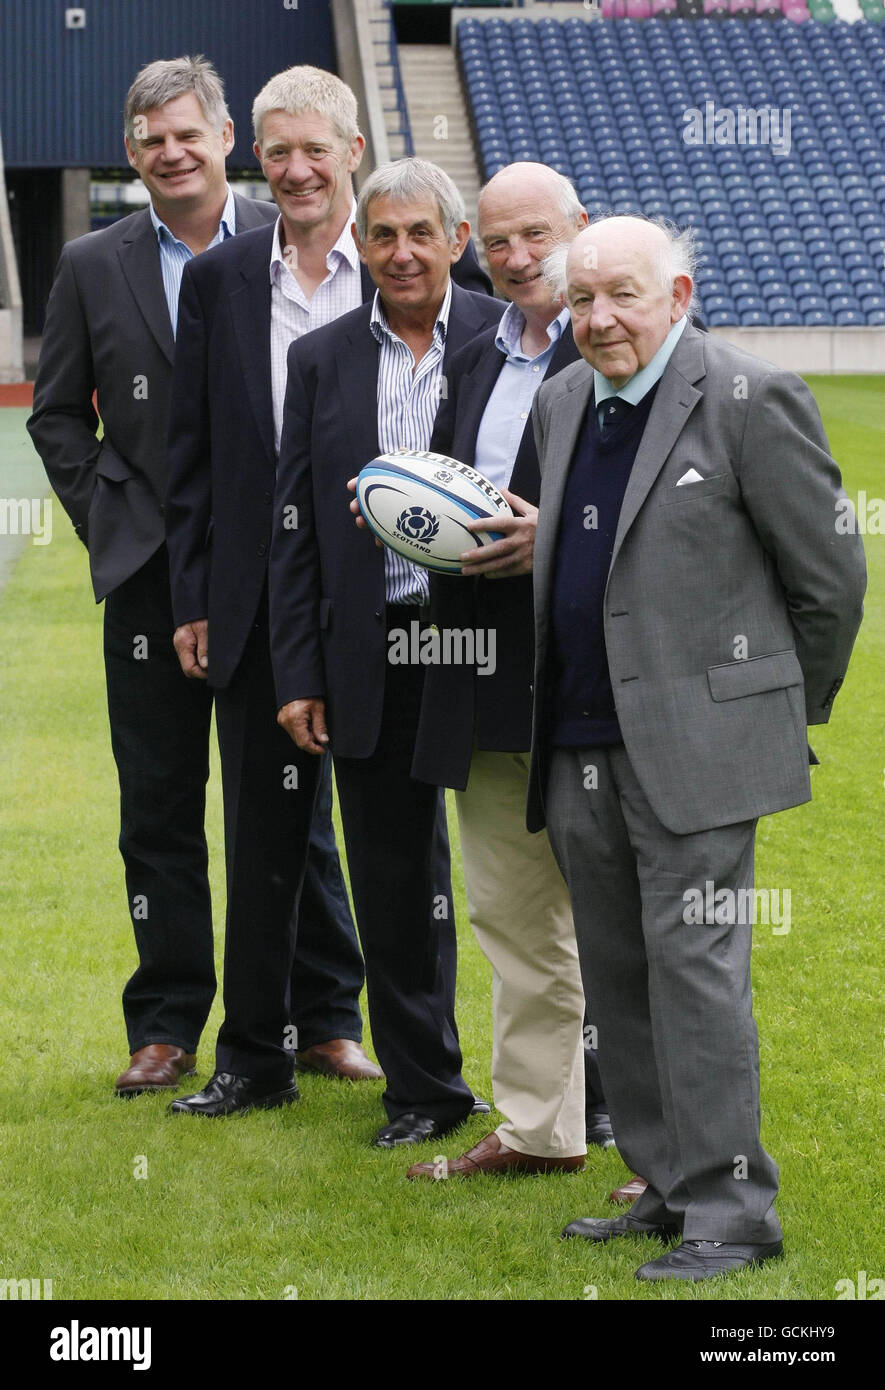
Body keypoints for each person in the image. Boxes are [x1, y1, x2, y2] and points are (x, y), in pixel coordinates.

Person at [528, 214, 866, 1280]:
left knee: (696, 976)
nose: (598, 319)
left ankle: (734, 1212)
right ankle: (667, 1182)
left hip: (699, 752)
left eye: (621, 295)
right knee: (618, 973)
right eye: (580, 300)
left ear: (677, 295)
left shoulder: (748, 398)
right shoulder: (561, 401)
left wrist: (767, 710)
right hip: (579, 740)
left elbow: (831, 583)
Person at [27, 55, 363, 1098]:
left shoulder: (290, 233)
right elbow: (55, 412)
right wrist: (115, 522)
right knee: (161, 805)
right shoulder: (92, 262)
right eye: (149, 138)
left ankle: (325, 1016)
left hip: (272, 573)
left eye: (186, 131)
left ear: (225, 138)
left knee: (291, 800)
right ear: (131, 153)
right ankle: (167, 1022)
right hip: (150, 579)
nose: (170, 150)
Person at [164, 69, 489, 1121]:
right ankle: (253, 1055)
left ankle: (365, 1040)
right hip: (264, 604)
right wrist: (193, 594)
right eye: (277, 149)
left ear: (352, 147)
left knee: (402, 846)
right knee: (263, 835)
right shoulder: (219, 281)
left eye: (316, 148)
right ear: (254, 153)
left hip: (403, 611)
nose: (295, 169)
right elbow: (195, 456)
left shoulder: (414, 266)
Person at [268, 158, 503, 1146]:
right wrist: (299, 673)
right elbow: (295, 530)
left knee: (532, 884)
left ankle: (587, 1092)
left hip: (490, 646)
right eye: (382, 235)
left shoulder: (514, 338)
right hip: (370, 653)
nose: (401, 252)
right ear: (359, 246)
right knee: (397, 885)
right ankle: (423, 1092)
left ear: (457, 240)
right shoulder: (321, 359)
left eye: (421, 233)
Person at [406, 161, 612, 1182]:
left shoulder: (627, 343)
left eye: (537, 234)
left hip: (601, 680)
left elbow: (675, 505)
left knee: (632, 915)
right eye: (497, 242)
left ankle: (673, 1150)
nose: (520, 257)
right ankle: (540, 1130)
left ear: (580, 227)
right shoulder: (474, 351)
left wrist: (560, 542)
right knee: (512, 914)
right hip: (487, 677)